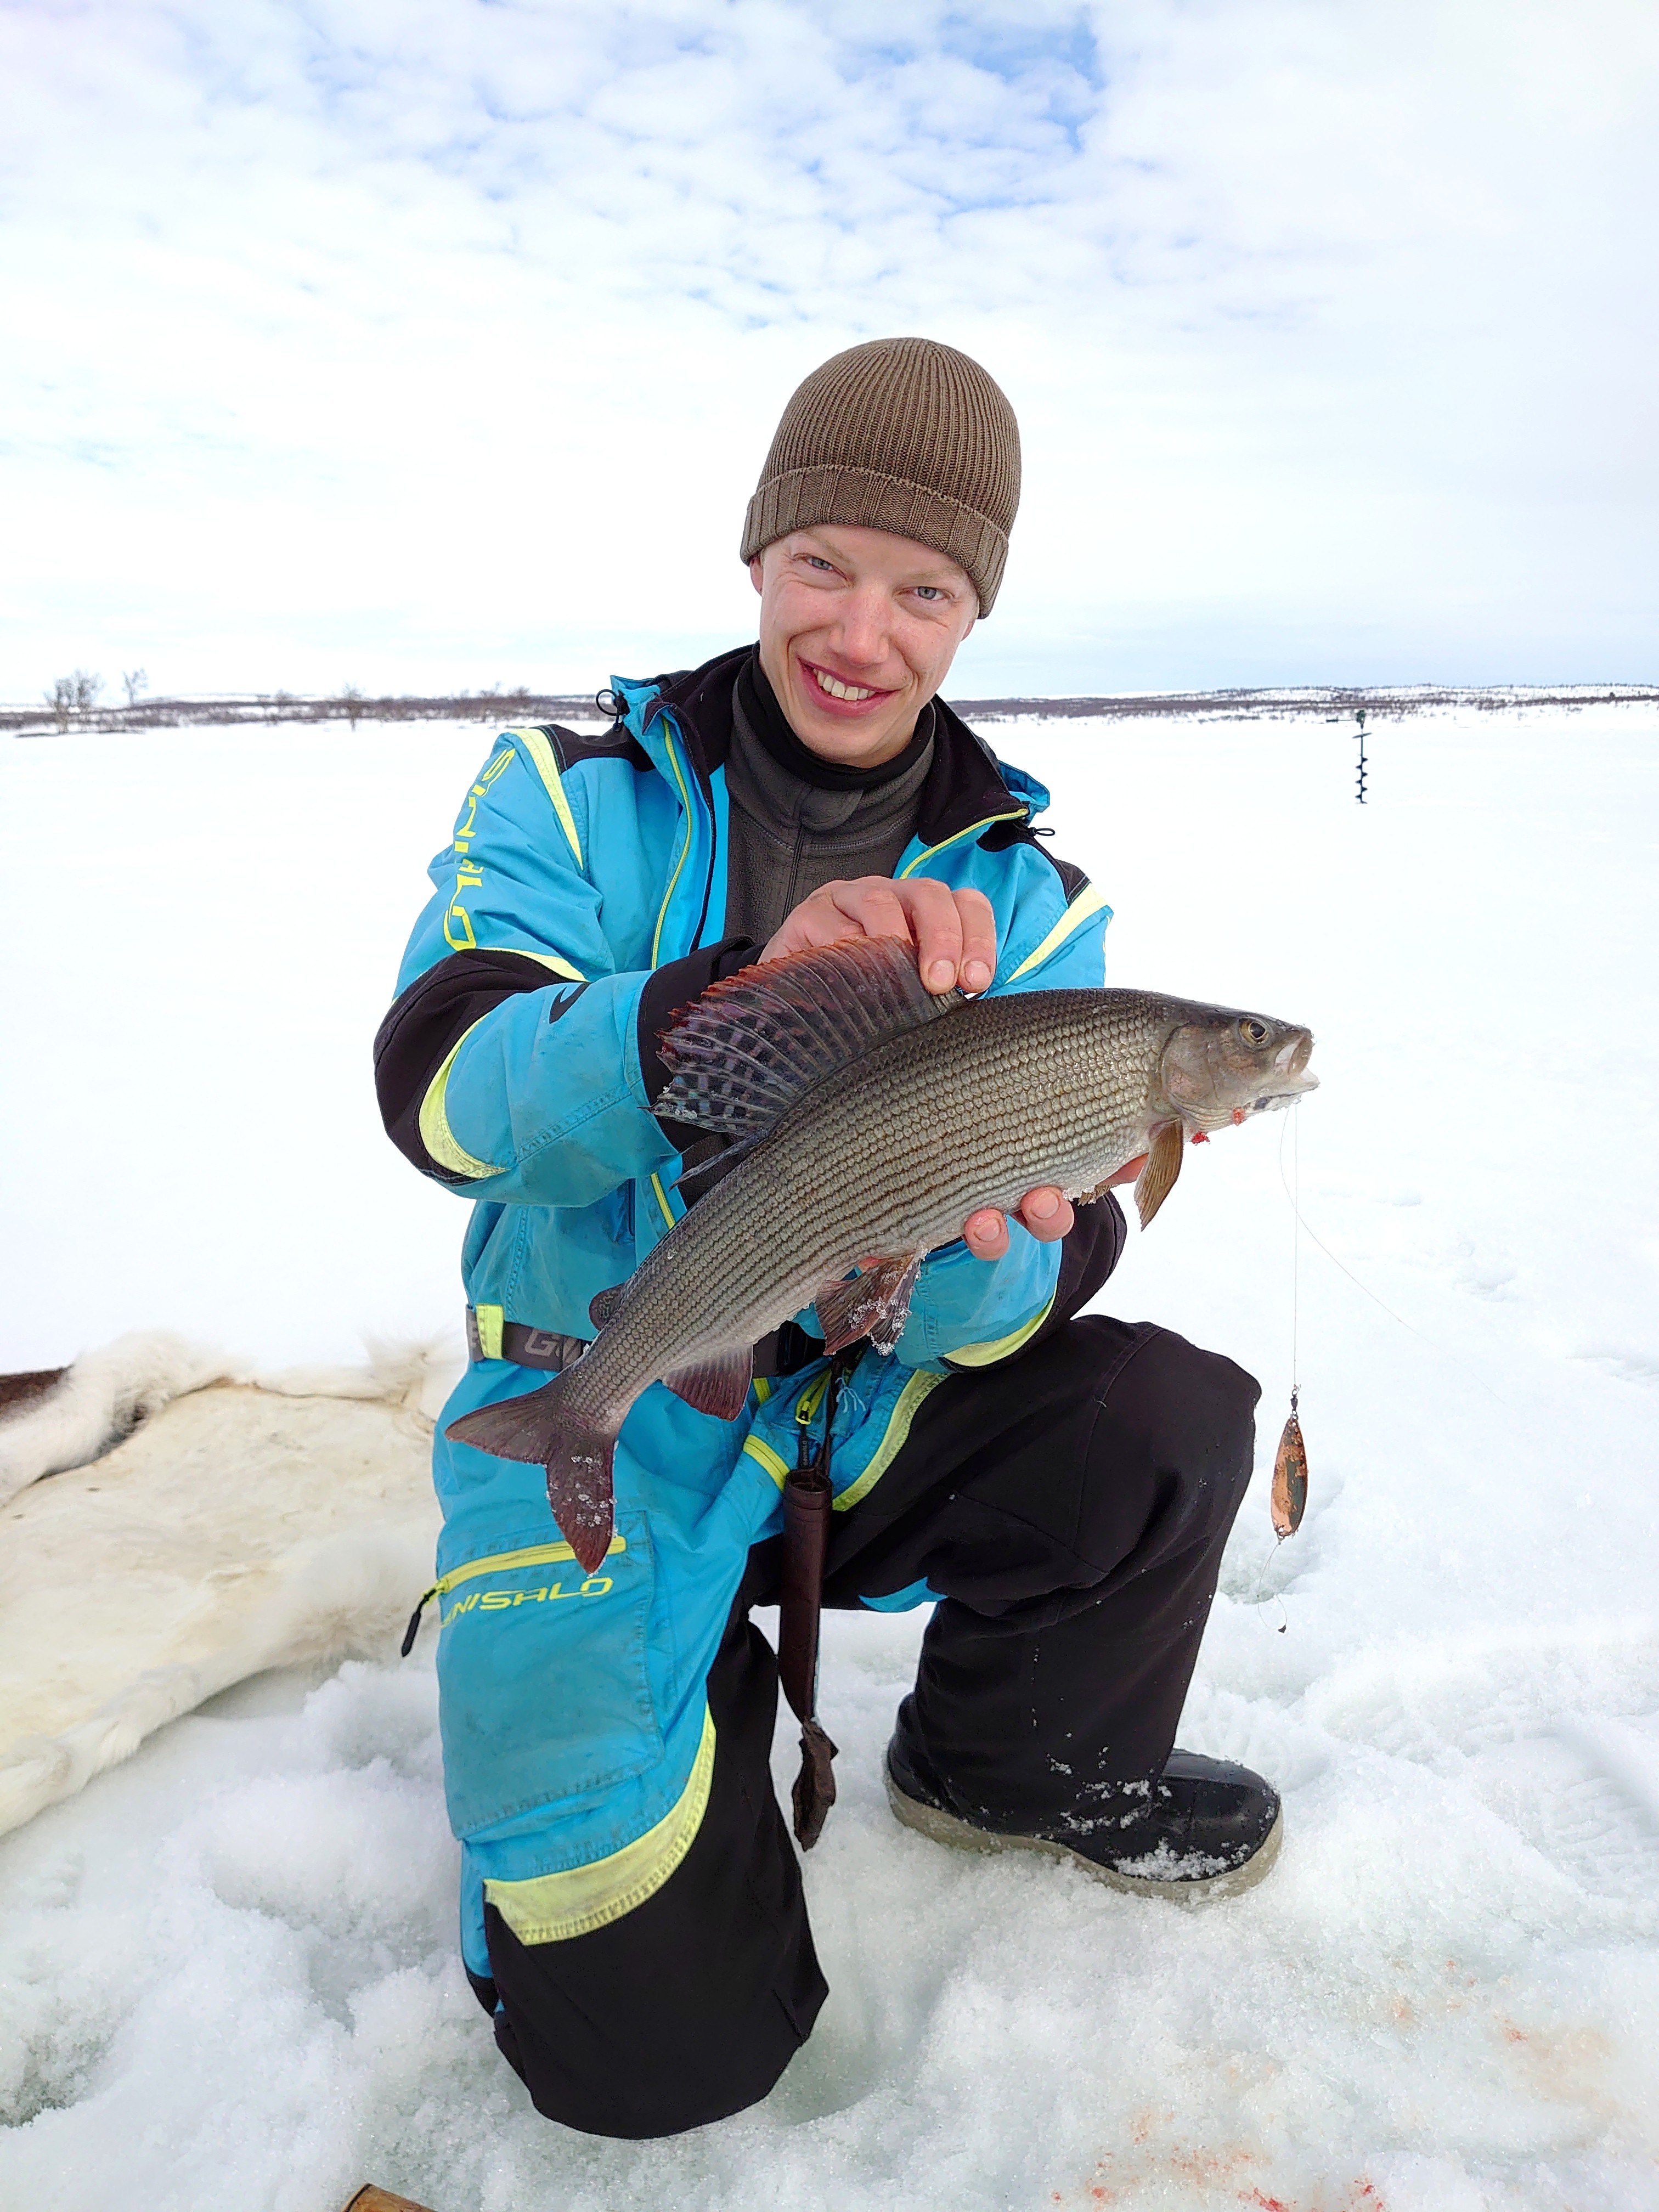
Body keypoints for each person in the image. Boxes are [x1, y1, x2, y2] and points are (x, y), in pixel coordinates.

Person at [374, 337, 1279, 2141]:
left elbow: (1026, 1297)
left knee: (1166, 1418)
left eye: (924, 588)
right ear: (759, 558)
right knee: (654, 2062)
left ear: (972, 617)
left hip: (855, 1422)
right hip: (616, 1400)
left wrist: (973, 1242)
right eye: (824, 566)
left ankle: (1003, 1769)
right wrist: (703, 1008)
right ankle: (617, 1746)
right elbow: (442, 1091)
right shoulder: (568, 797)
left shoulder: (1030, 897)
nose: (863, 631)